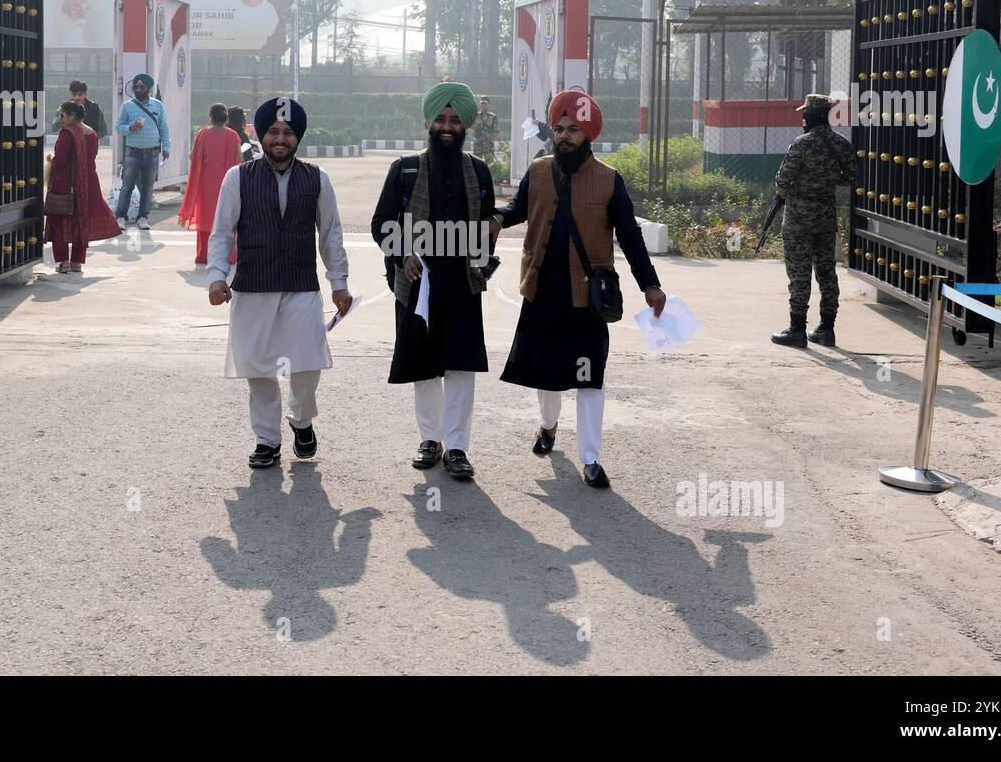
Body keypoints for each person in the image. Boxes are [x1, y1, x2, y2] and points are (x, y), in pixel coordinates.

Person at [490, 90, 666, 489]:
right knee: (546, 374)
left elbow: (631, 237)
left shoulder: (608, 179)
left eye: (573, 130)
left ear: (589, 134)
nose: (565, 136)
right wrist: (497, 220)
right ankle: (548, 426)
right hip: (541, 290)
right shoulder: (538, 171)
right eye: (559, 129)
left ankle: (590, 458)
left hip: (587, 299)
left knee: (589, 379)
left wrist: (650, 285)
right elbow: (517, 209)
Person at [207, 97, 352, 469]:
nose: (280, 139)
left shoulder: (317, 178)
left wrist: (339, 282)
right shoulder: (238, 178)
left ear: (298, 137)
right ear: (262, 136)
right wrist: (216, 276)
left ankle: (301, 421)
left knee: (306, 365)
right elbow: (222, 232)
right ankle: (267, 440)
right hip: (253, 285)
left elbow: (330, 234)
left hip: (301, 286)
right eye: (273, 131)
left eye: (288, 132)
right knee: (258, 368)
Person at [371, 82, 496, 480]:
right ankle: (431, 439)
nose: (447, 126)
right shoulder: (405, 169)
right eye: (441, 119)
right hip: (416, 283)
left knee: (460, 365)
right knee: (424, 364)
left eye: (455, 120)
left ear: (466, 126)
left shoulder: (478, 170)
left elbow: (486, 230)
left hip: (461, 284)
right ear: (429, 121)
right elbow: (381, 224)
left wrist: (483, 264)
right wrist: (401, 254)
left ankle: (457, 447)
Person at [770, 93, 856, 348]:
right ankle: (826, 329)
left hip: (798, 220)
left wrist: (798, 190)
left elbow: (783, 180)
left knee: (799, 273)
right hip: (825, 218)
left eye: (805, 113)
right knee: (827, 271)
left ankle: (797, 329)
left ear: (811, 115)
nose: (803, 117)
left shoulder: (802, 143)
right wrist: (825, 183)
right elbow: (851, 177)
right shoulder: (841, 144)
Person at [44, 101, 122, 273]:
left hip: (67, 182)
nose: (61, 118)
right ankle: (77, 262)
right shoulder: (91, 133)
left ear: (71, 115)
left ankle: (63, 262)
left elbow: (61, 160)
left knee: (59, 220)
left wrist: (50, 158)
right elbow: (91, 156)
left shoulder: (67, 133)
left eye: (62, 115)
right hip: (89, 183)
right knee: (82, 221)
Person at [179, 103, 244, 268]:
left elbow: (192, 156)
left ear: (210, 116)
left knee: (206, 219)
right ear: (226, 118)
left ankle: (204, 254)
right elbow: (240, 161)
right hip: (227, 184)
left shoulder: (202, 134)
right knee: (227, 217)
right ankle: (228, 254)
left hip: (205, 185)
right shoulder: (233, 135)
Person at [113, 73, 170, 231]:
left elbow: (164, 127)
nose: (138, 90)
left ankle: (143, 217)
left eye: (142, 87)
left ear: (148, 89)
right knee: (127, 186)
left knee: (147, 187)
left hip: (152, 153)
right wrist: (131, 128)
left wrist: (166, 147)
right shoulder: (127, 106)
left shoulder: (157, 105)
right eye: (136, 87)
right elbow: (119, 127)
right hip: (133, 153)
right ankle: (121, 217)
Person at [471, 95, 499, 161]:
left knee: (490, 166)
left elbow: (496, 131)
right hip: (477, 146)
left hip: (488, 146)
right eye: (482, 103)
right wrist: (475, 135)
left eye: (485, 103)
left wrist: (488, 140)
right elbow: (470, 128)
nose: (483, 105)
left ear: (488, 104)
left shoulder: (493, 117)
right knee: (476, 165)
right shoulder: (475, 116)